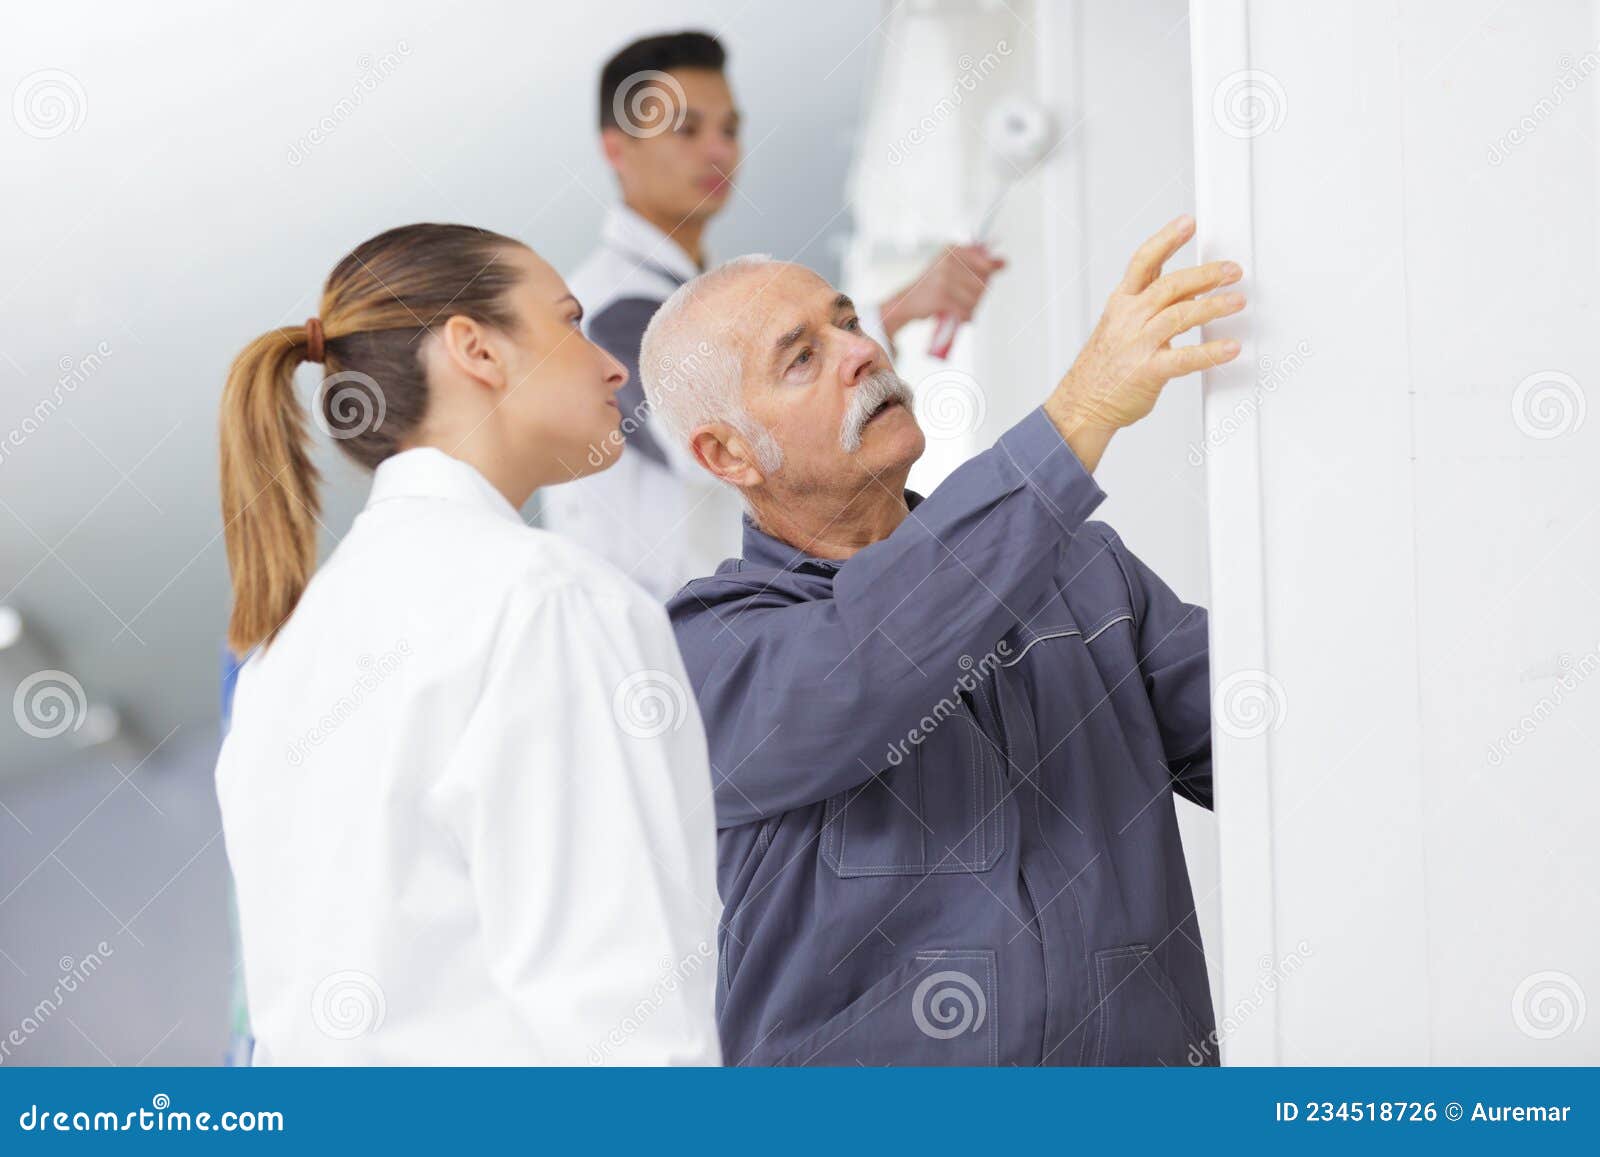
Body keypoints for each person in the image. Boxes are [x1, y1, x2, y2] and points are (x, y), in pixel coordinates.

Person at [638, 215, 1246, 1065]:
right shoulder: (706, 654)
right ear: (730, 453)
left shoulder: (1080, 569)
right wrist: (1082, 411)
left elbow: (1270, 749)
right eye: (802, 357)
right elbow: (872, 660)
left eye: (847, 322)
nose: (860, 353)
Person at [214, 223, 721, 1065]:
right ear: (475, 349)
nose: (612, 365)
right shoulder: (548, 600)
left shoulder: (277, 667)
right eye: (569, 321)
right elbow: (628, 1028)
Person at [543, 30, 1007, 600]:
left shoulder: (681, 290)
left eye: (729, 129)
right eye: (687, 129)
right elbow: (694, 432)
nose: (717, 150)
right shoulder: (610, 308)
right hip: (663, 648)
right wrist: (901, 308)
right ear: (617, 149)